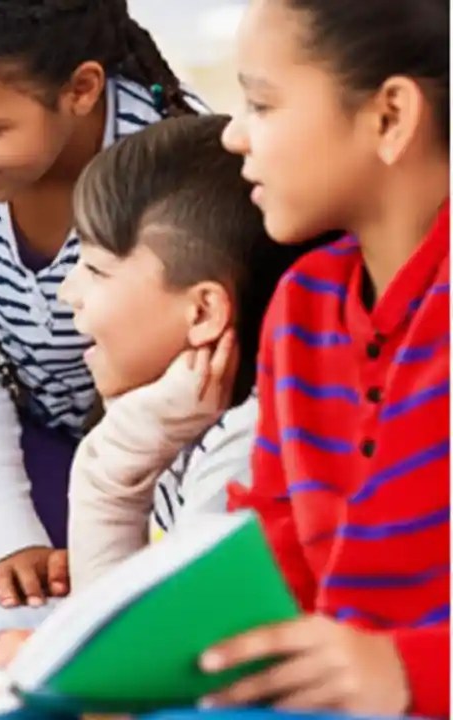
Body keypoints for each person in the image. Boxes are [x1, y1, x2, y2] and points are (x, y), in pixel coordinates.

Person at [0, 114, 317, 664]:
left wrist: (112, 474)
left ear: (204, 310)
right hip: (146, 636)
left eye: (95, 268)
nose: (69, 291)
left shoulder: (241, 453)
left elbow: (148, 669)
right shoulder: (177, 405)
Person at [0, 0, 205, 607]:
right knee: (18, 643)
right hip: (19, 445)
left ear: (81, 89)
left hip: (167, 442)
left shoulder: (173, 155)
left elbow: (201, 390)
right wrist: (7, 532)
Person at [203, 0, 449, 715]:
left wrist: (407, 669)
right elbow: (273, 556)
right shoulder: (303, 305)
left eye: (260, 103)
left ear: (390, 117)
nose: (233, 135)